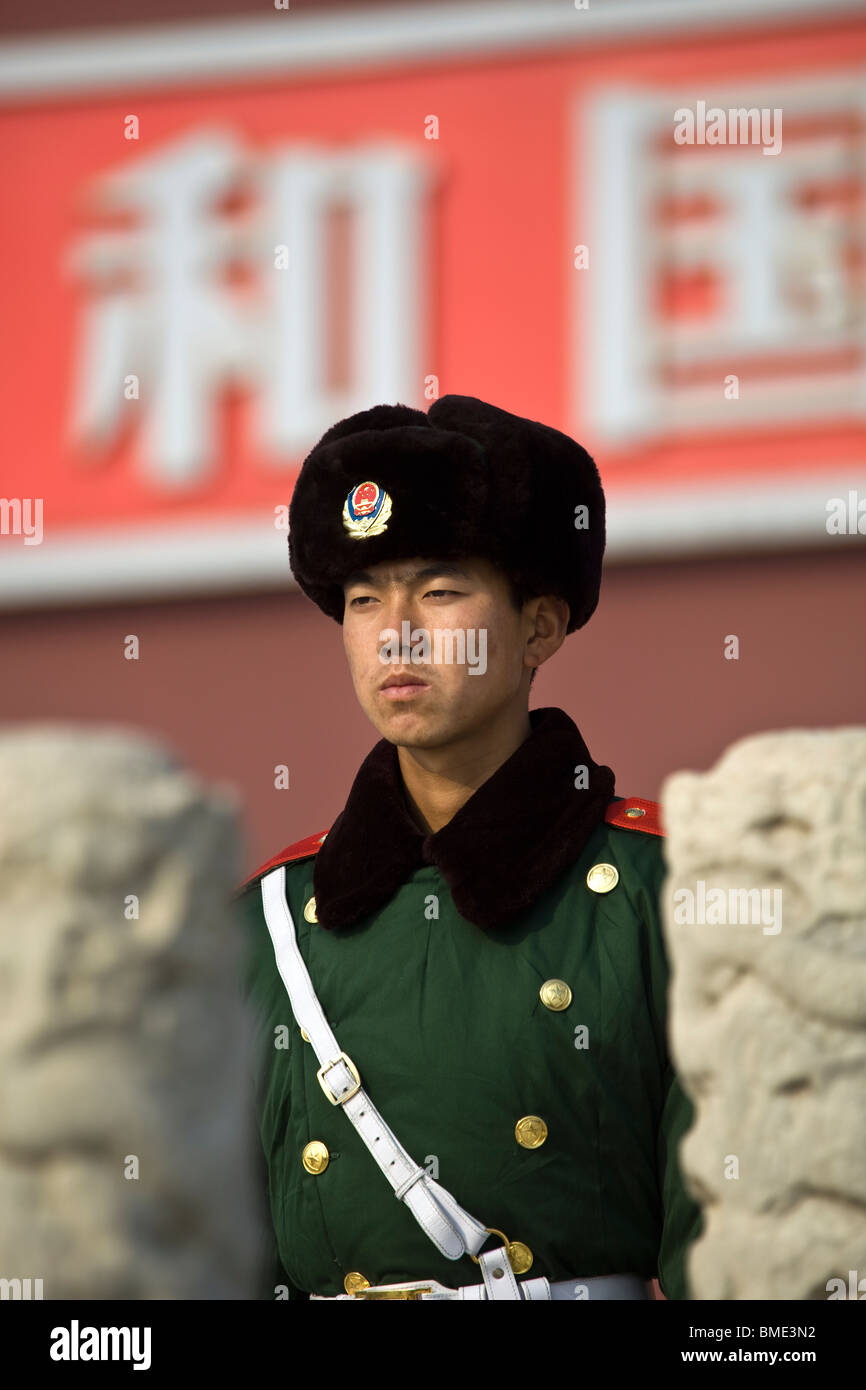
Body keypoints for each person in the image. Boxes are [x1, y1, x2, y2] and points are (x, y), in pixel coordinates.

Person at [234, 394, 704, 1301]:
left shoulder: (665, 890)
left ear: (540, 627)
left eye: (440, 591)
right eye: (365, 599)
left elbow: (738, 1259)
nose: (395, 632)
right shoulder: (272, 921)